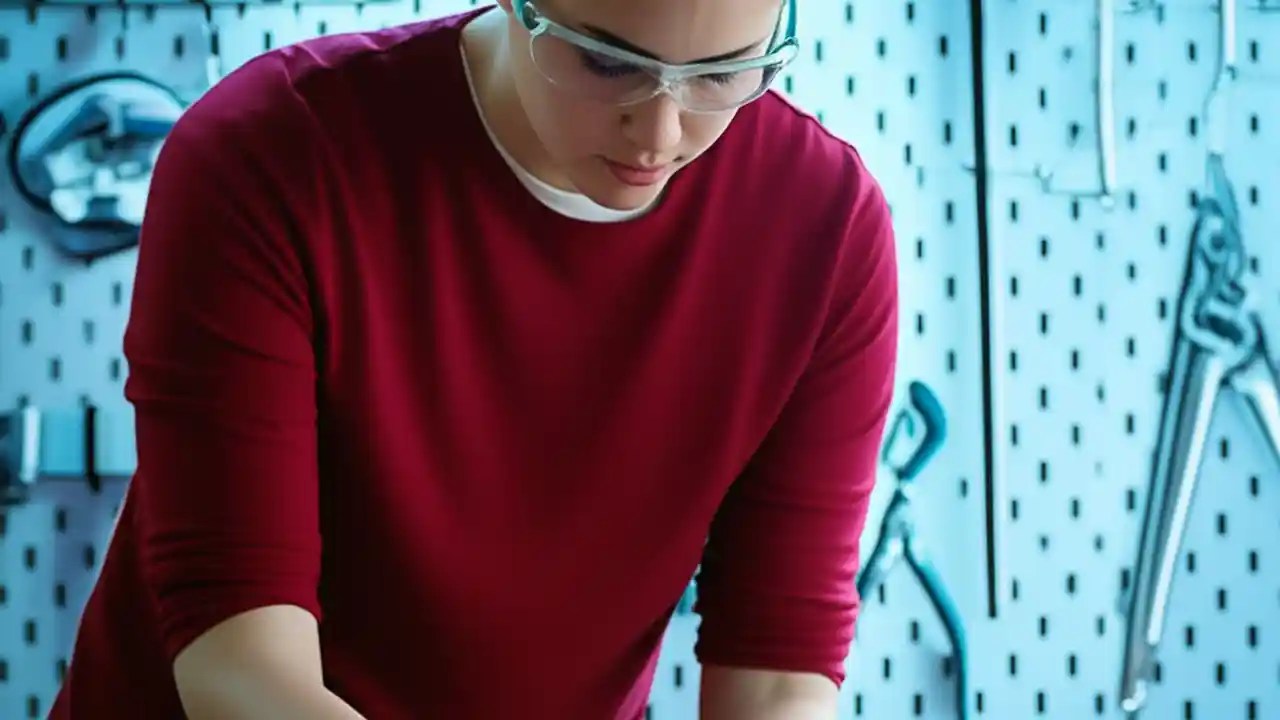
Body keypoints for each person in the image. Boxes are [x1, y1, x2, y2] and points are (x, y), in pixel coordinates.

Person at [49, 0, 899, 717]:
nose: (660, 131)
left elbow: (779, 675)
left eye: (723, 74)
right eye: (606, 63)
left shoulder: (824, 229)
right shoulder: (269, 151)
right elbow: (241, 669)